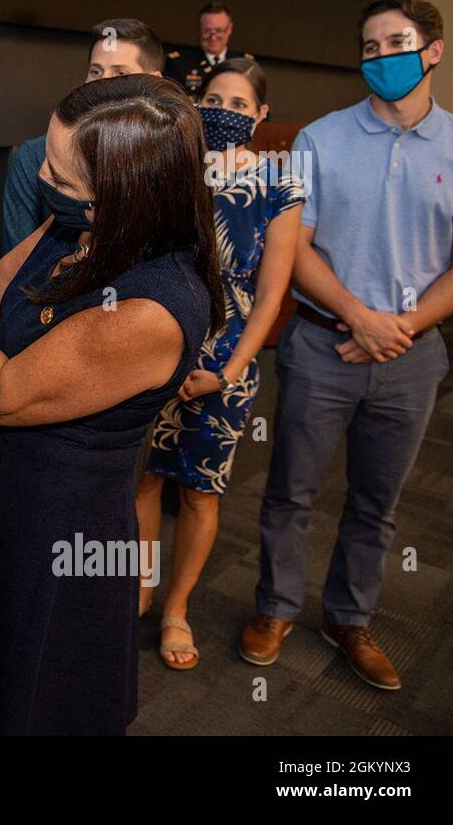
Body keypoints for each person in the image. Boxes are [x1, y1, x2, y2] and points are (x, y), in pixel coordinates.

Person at [0, 74, 224, 734]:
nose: (41, 175)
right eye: (48, 156)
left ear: (122, 196)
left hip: (60, 520)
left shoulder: (155, 307)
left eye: (62, 175)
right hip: (2, 485)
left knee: (41, 695)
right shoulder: (75, 220)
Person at [240, 0, 453, 690]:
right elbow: (293, 247)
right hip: (321, 344)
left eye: (396, 42)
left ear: (433, 51)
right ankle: (275, 607)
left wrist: (400, 329)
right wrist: (359, 317)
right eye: (369, 47)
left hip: (412, 357)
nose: (381, 57)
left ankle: (348, 617)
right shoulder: (319, 140)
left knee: (377, 502)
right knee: (289, 492)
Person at [138, 58, 304, 669]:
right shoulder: (174, 173)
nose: (224, 113)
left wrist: (227, 371)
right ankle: (140, 586)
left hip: (227, 362)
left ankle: (176, 610)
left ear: (259, 115)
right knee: (145, 477)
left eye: (239, 105)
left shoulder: (281, 185)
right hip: (157, 343)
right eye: (214, 100)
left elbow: (271, 293)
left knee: (201, 494)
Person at [2, 17, 165, 251]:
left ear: (153, 82)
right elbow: (13, 269)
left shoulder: (169, 160)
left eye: (120, 73)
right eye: (96, 70)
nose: (103, 82)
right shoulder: (34, 156)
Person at [164, 2, 252, 97]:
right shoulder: (179, 63)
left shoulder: (244, 64)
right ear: (199, 30)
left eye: (219, 31)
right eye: (207, 31)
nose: (213, 37)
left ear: (229, 29)